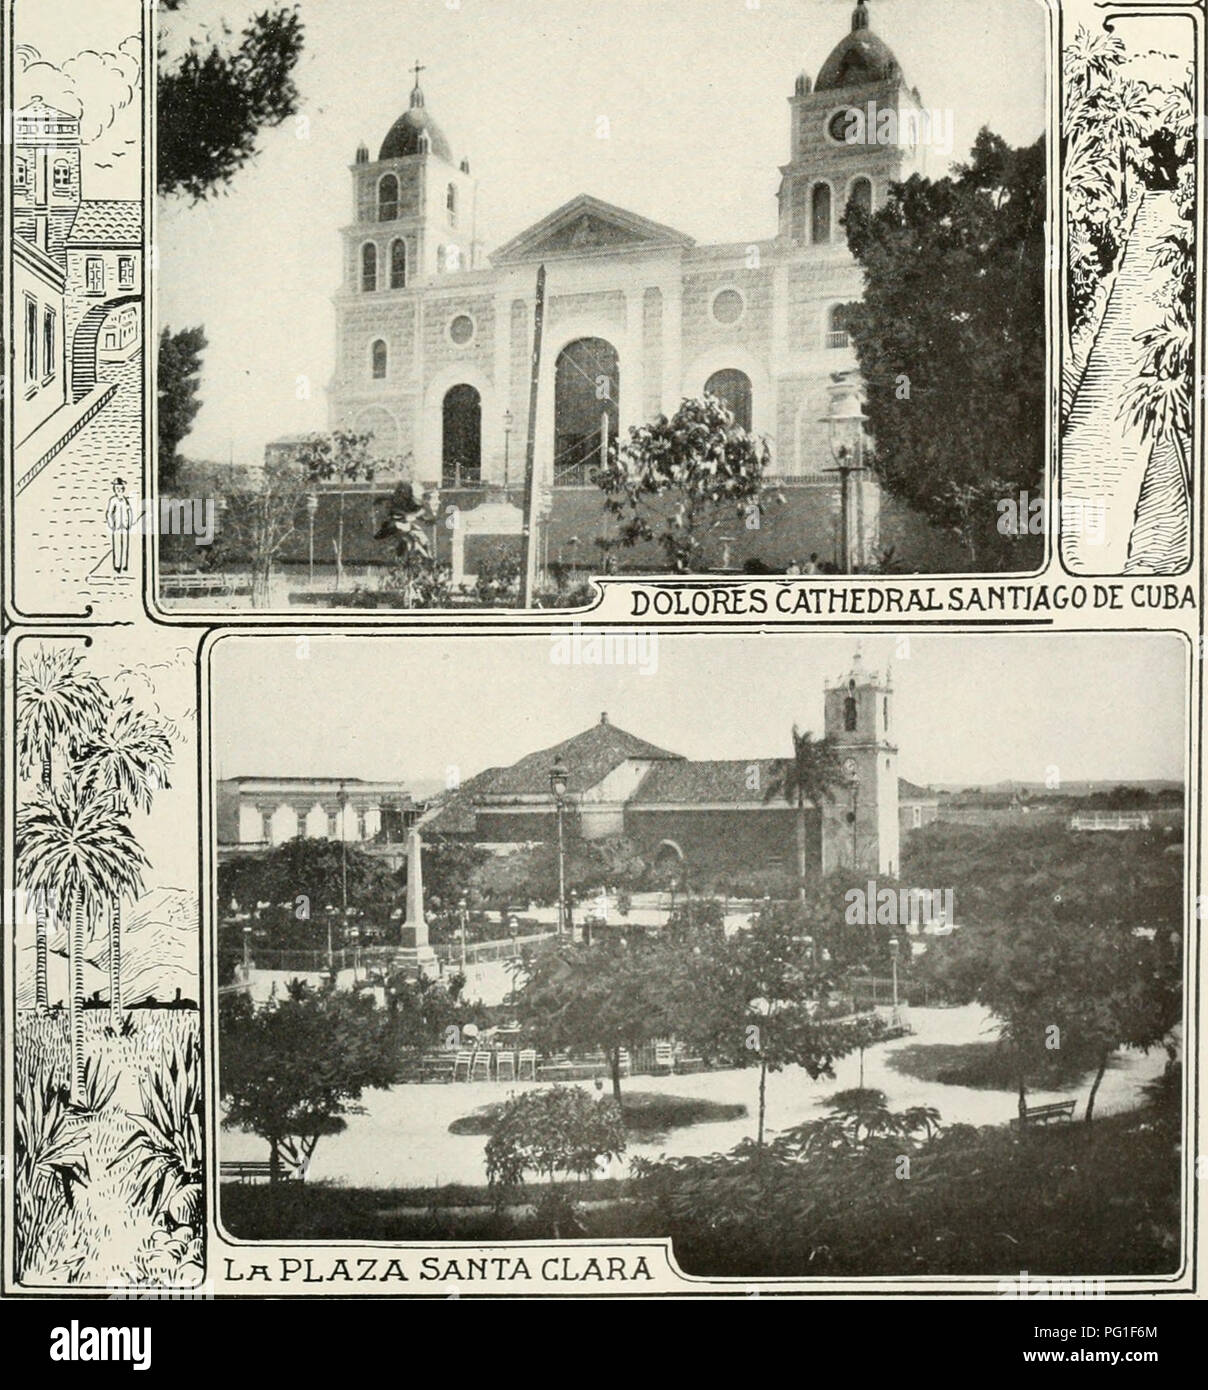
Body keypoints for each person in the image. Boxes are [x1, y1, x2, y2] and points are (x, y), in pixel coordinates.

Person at [106, 478, 133, 573]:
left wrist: (129, 523)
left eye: (121, 488)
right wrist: (111, 524)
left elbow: (129, 512)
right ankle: (117, 565)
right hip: (116, 526)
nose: (119, 490)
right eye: (117, 488)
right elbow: (109, 513)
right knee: (117, 546)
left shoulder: (125, 500)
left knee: (125, 545)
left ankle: (124, 565)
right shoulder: (113, 500)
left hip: (124, 526)